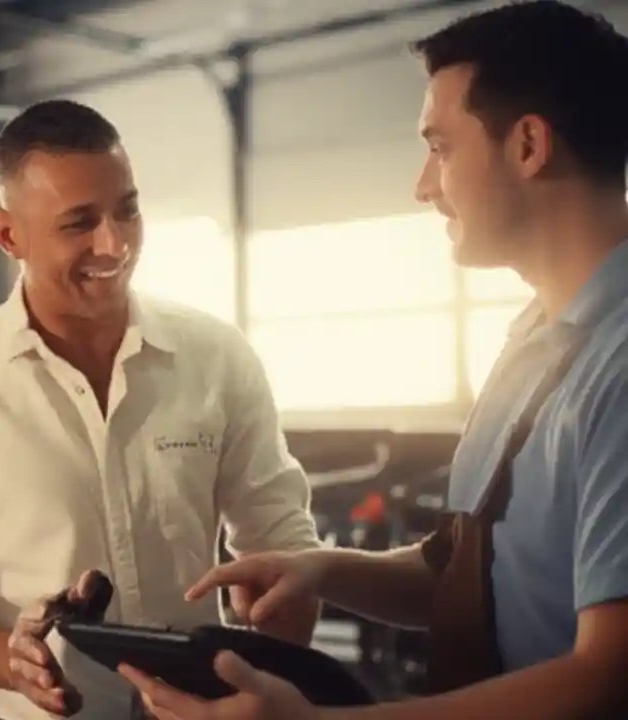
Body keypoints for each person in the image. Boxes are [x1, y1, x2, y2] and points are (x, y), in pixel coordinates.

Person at [116, 2, 628, 718]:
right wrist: (322, 569)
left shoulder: (619, 363)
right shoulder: (533, 340)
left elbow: (606, 677)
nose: (424, 186)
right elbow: (463, 571)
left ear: (529, 145)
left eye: (440, 148)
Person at [0, 99, 323, 719]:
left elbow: (280, 537)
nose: (114, 244)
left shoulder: (216, 358)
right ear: (8, 234)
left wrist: (279, 621)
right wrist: (11, 657)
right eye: (78, 223)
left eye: (127, 210)